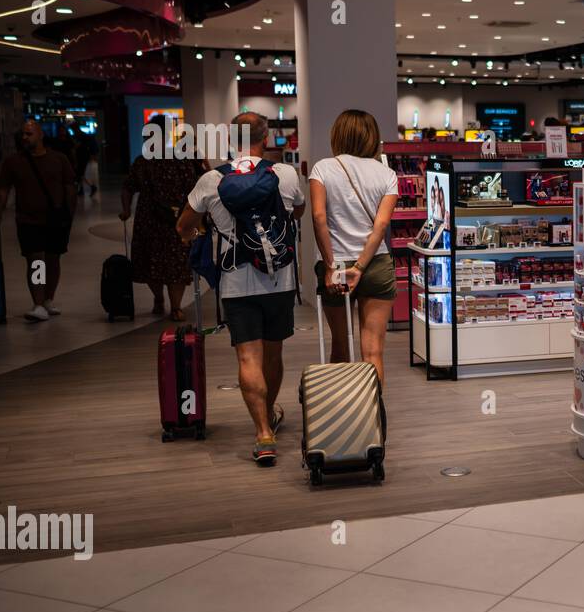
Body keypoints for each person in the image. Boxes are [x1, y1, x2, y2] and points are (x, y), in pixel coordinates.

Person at [177, 112, 305, 466]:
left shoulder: (211, 180)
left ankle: (263, 433)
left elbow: (183, 227)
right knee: (274, 353)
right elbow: (298, 212)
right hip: (279, 278)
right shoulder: (285, 174)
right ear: (266, 138)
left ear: (230, 141)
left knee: (248, 357)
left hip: (235, 281)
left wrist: (202, 233)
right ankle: (270, 414)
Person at [308, 109, 398, 383]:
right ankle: (373, 416)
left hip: (336, 264)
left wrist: (331, 265)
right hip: (376, 265)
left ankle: (341, 414)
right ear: (373, 138)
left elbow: (318, 217)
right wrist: (360, 267)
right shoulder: (387, 174)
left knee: (340, 344)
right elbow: (380, 227)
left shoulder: (322, 168)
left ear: (338, 134)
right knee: (373, 352)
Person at [0, 120, 77, 322]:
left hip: (56, 219)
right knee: (37, 261)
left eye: (29, 134)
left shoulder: (59, 159)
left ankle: (48, 299)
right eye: (23, 134)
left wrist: (69, 214)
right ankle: (37, 303)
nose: (24, 138)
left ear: (40, 135)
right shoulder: (14, 162)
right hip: (29, 220)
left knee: (53, 260)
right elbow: (3, 189)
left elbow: (69, 187)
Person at [120, 115, 201, 320]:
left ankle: (168, 303)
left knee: (154, 263)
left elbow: (127, 188)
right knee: (173, 264)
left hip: (155, 220)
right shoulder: (175, 160)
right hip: (172, 219)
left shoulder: (145, 162)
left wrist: (126, 210)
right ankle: (172, 306)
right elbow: (193, 191)